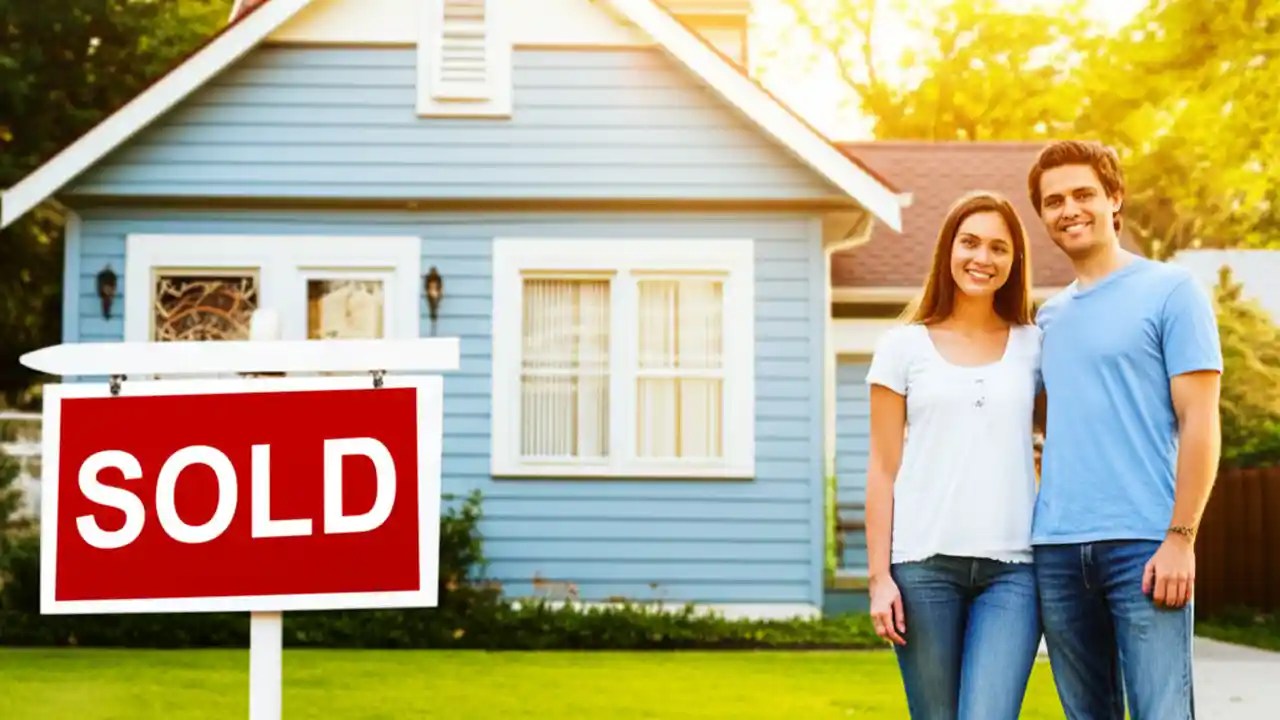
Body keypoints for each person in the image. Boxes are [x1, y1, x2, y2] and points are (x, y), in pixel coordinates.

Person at [1026, 139, 1223, 719]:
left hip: (1144, 544)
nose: (1070, 209)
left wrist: (1181, 537)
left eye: (1084, 193)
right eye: (1054, 200)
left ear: (1115, 199)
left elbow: (1200, 419)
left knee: (1162, 711)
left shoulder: (1172, 290)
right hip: (1056, 551)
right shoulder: (1049, 318)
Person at [864, 191, 1044, 719]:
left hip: (1014, 571)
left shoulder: (1036, 344)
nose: (981, 259)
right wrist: (879, 580)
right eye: (970, 243)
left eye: (998, 248)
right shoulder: (902, 346)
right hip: (922, 568)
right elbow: (882, 467)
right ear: (948, 249)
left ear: (1014, 263)